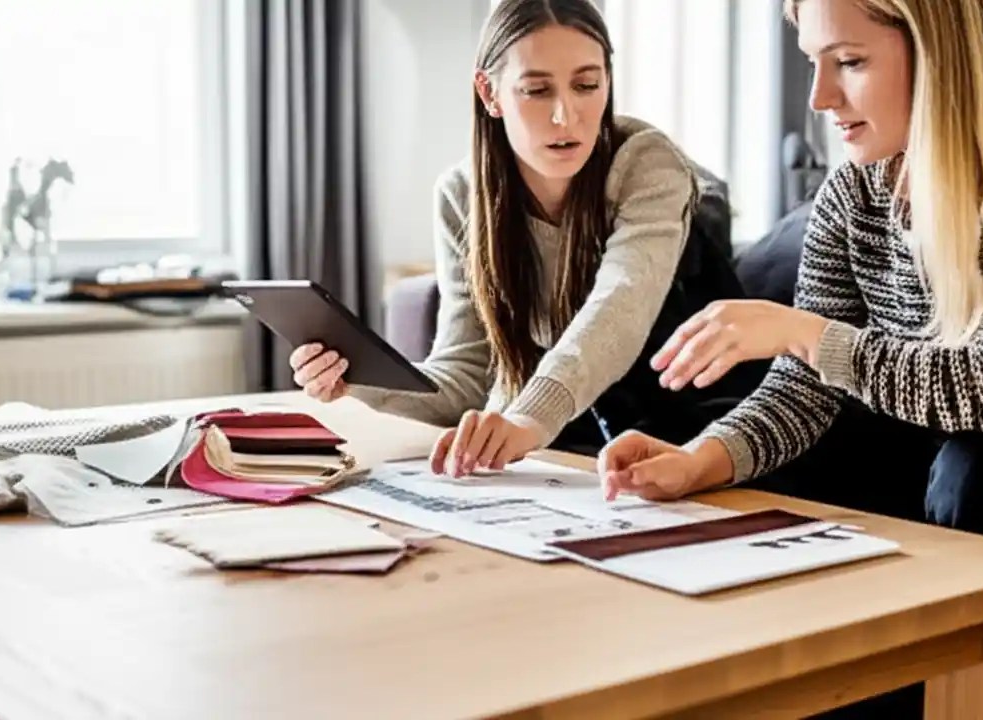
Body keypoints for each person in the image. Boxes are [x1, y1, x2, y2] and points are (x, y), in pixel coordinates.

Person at [597, 0, 983, 716]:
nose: (820, 97)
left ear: (938, 48)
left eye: (850, 61)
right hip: (960, 455)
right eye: (815, 62)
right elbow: (804, 392)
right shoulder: (856, 188)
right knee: (790, 454)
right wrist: (698, 459)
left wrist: (801, 331)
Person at [289, 0, 762, 478]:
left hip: (696, 439)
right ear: (489, 93)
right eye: (536, 90)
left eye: (587, 85)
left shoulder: (646, 164)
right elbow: (466, 374)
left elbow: (620, 305)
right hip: (574, 453)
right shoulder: (461, 196)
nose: (566, 115)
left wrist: (526, 417)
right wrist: (361, 377)